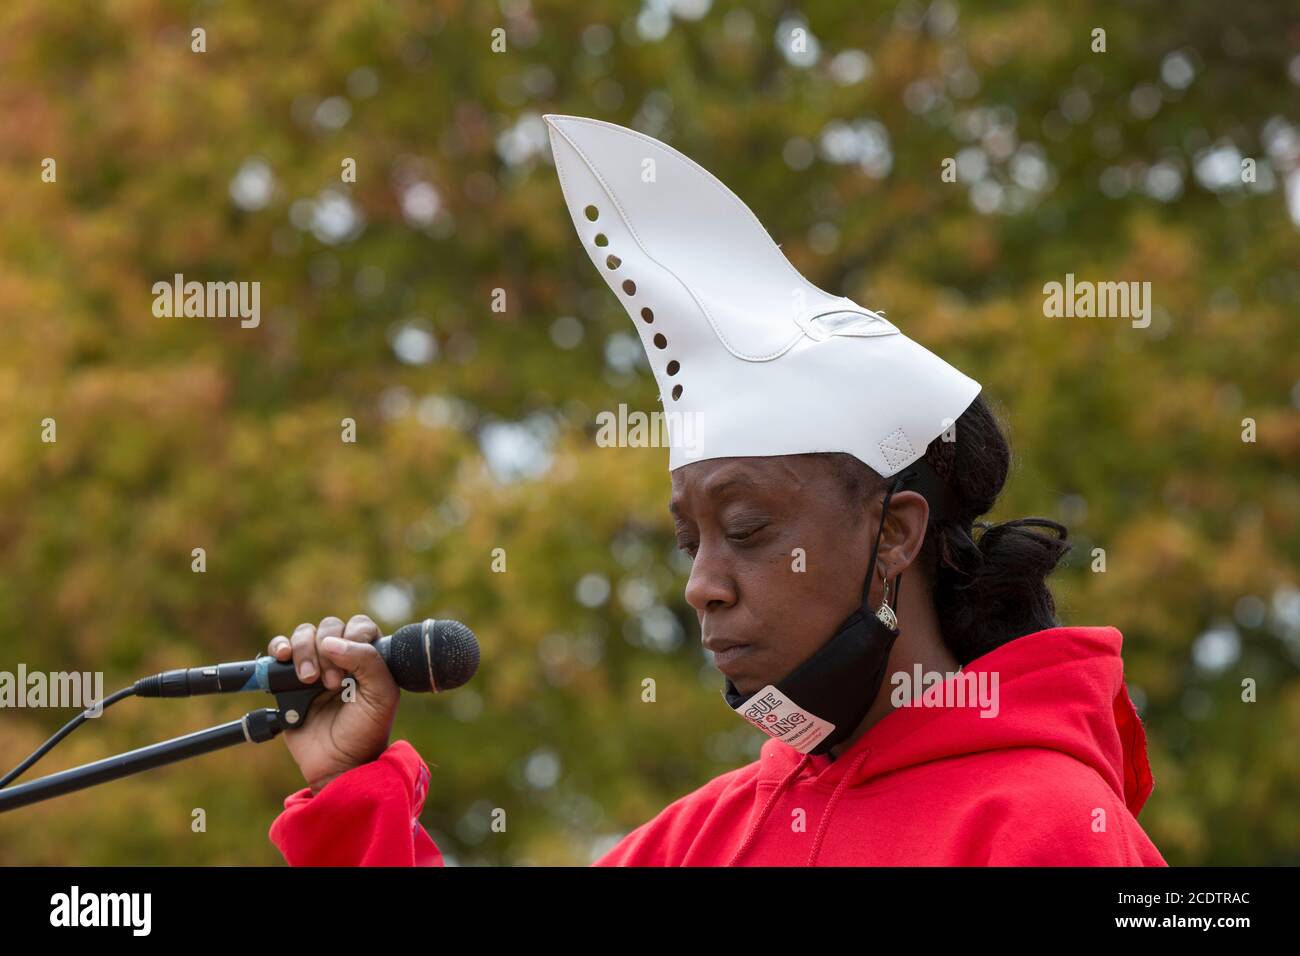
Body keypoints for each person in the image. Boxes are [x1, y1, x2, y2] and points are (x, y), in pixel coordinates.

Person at [266, 115, 1166, 866]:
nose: (703, 582)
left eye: (747, 528)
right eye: (688, 540)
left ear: (894, 533)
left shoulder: (1046, 826)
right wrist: (352, 798)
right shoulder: (701, 837)